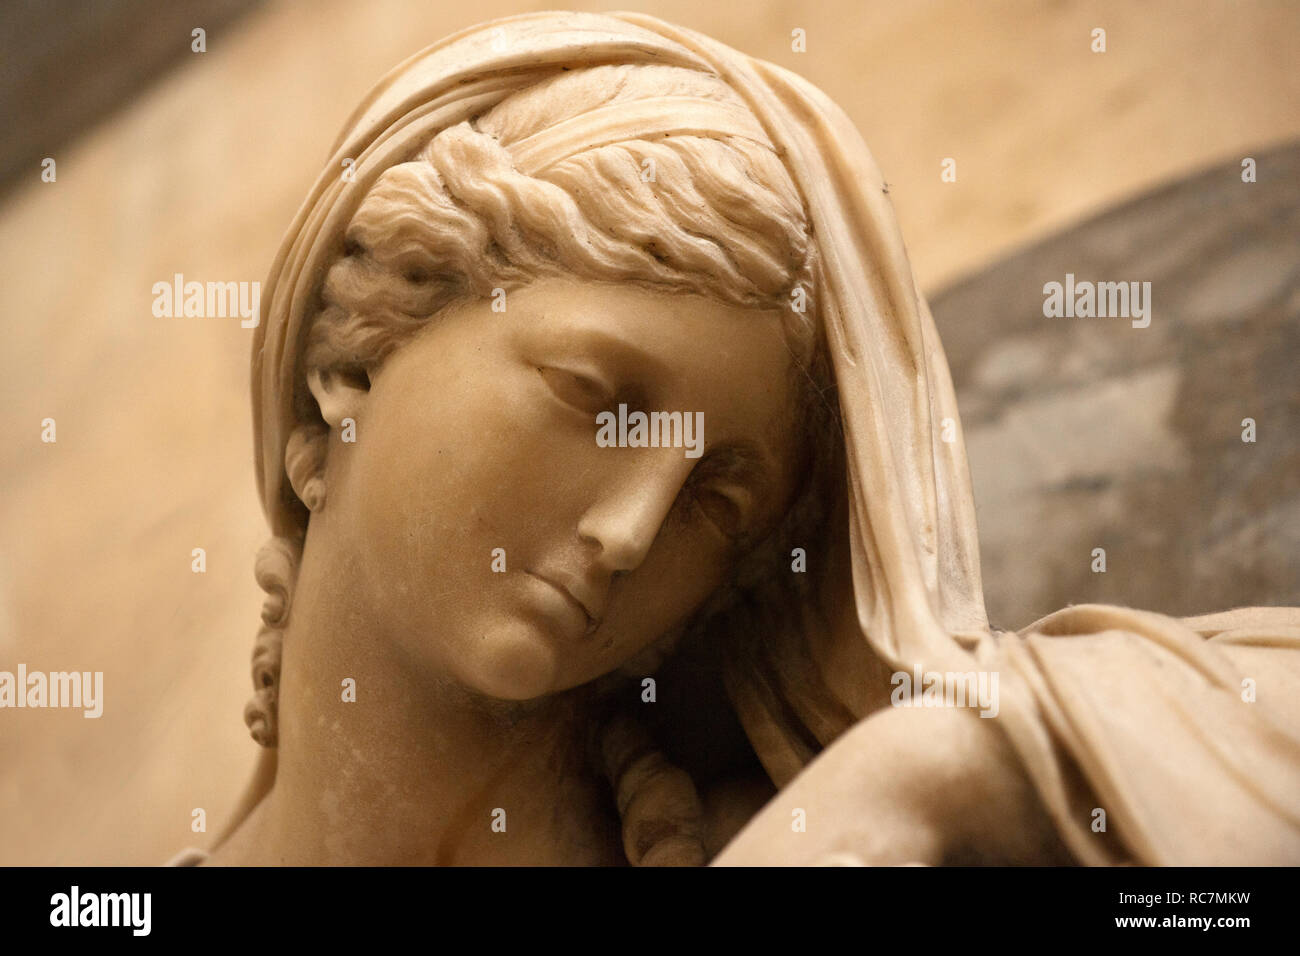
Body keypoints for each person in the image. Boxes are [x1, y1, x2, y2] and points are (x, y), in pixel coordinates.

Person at [179, 11, 1300, 866]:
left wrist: (942, 765)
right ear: (352, 364)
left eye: (717, 498)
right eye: (600, 399)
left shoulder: (798, 830)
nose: (629, 529)